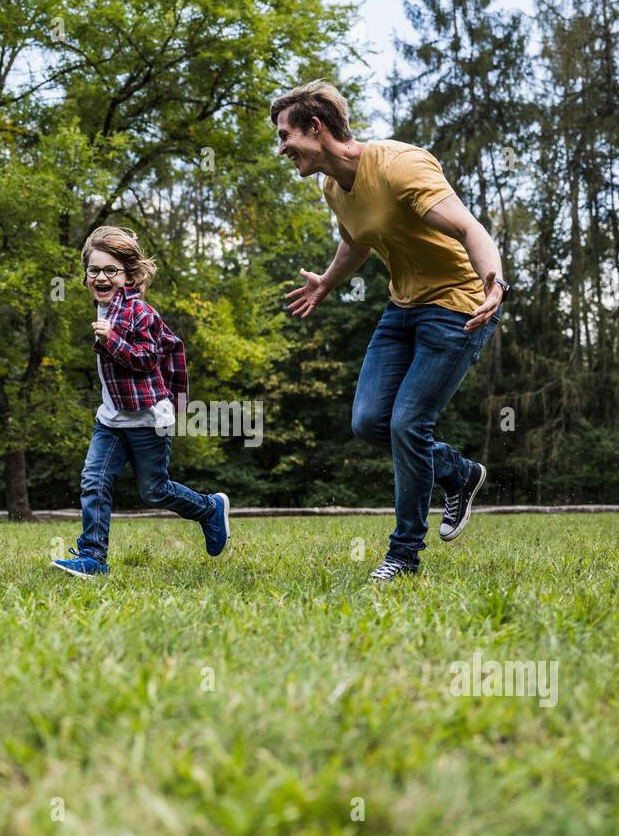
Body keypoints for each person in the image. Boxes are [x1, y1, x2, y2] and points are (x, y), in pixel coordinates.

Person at [272, 80, 509, 582]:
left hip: (458, 306)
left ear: (316, 127)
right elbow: (356, 242)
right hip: (402, 308)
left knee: (407, 424)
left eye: (285, 135)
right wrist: (326, 284)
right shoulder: (332, 185)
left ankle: (403, 555)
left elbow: (469, 228)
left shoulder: (400, 165)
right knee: (369, 422)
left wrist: (494, 282)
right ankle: (459, 475)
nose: (282, 148)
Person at [50, 226, 230, 579]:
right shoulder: (103, 308)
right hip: (111, 421)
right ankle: (92, 558)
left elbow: (148, 358)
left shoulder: (140, 313)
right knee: (93, 481)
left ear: (128, 275)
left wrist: (113, 340)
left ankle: (210, 509)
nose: (101, 277)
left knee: (155, 491)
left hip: (147, 420)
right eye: (94, 271)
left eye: (110, 271)